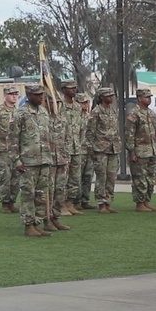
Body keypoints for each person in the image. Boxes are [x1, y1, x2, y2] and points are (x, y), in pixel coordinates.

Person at [8, 84, 53, 237]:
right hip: (27, 162)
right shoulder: (20, 114)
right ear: (29, 95)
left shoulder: (44, 112)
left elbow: (48, 136)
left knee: (41, 195)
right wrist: (17, 161)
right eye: (37, 94)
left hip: (44, 159)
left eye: (42, 94)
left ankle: (37, 223)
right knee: (28, 194)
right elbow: (12, 140)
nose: (41, 97)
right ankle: (28, 225)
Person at [86, 87, 121, 214]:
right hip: (100, 149)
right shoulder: (96, 112)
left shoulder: (113, 111)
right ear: (102, 97)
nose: (111, 97)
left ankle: (108, 201)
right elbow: (90, 133)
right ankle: (101, 203)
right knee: (102, 177)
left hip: (113, 149)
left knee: (111, 177)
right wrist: (91, 151)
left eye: (112, 95)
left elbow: (116, 130)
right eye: (108, 96)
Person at [126, 88, 156, 213]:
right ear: (139, 98)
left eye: (150, 97)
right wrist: (132, 152)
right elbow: (129, 134)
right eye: (146, 97)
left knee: (150, 179)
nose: (149, 99)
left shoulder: (151, 113)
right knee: (140, 179)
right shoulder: (134, 114)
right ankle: (139, 203)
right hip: (139, 151)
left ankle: (147, 201)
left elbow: (155, 132)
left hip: (151, 150)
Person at [45, 94, 71, 232]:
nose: (56, 105)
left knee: (60, 191)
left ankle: (56, 218)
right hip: (48, 160)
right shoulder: (43, 119)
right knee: (48, 192)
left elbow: (67, 139)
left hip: (61, 160)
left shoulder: (62, 119)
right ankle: (46, 219)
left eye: (58, 103)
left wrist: (67, 158)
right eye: (53, 102)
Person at [59, 80, 85, 216]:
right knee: (63, 177)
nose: (74, 90)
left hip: (76, 147)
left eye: (75, 88)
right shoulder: (59, 106)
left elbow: (81, 128)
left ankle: (70, 203)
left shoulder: (77, 107)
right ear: (64, 90)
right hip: (64, 148)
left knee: (74, 178)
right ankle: (61, 205)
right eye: (71, 88)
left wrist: (80, 143)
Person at [69, 93, 94, 211]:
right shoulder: (74, 117)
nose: (86, 105)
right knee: (76, 177)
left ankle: (85, 199)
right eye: (83, 102)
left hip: (88, 149)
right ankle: (76, 201)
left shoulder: (89, 117)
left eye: (87, 102)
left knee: (88, 176)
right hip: (78, 150)